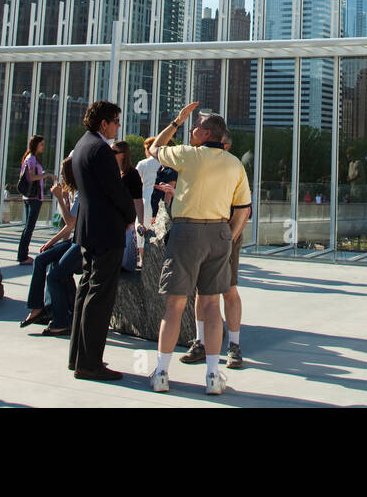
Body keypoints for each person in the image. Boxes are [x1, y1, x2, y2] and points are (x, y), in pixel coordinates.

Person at [143, 103, 251, 396]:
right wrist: (228, 236)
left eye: (195, 126)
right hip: (218, 233)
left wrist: (176, 120)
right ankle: (213, 376)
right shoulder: (235, 164)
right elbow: (243, 208)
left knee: (175, 304)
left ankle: (162, 372)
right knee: (211, 305)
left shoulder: (187, 155)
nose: (191, 130)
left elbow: (154, 147)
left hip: (186, 231)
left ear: (205, 133)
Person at [66, 101, 135, 381]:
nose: (118, 125)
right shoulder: (101, 150)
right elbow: (115, 191)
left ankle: (78, 357)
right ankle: (90, 363)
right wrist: (130, 215)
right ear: (103, 123)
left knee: (86, 290)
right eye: (116, 121)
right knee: (100, 295)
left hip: (88, 228)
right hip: (106, 230)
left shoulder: (82, 145)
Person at [178, 130, 247, 369]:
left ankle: (234, 347)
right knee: (202, 292)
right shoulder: (199, 164)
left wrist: (229, 239)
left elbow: (243, 210)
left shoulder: (233, 168)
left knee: (228, 289)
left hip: (224, 236)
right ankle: (201, 342)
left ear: (224, 147)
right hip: (202, 235)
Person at [21, 154, 83, 335]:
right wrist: (51, 242)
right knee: (41, 259)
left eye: (63, 174)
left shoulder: (81, 192)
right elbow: (71, 226)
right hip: (75, 240)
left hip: (83, 243)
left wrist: (59, 199)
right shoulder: (74, 191)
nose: (61, 177)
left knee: (54, 275)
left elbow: (71, 222)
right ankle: (37, 308)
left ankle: (61, 320)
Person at [111, 140, 147, 268]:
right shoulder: (110, 172)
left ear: (123, 155)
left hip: (125, 221)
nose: (110, 154)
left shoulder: (132, 174)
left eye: (114, 152)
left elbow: (137, 199)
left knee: (124, 260)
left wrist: (141, 222)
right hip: (110, 219)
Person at [16, 135, 49, 265]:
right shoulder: (32, 159)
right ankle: (23, 255)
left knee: (28, 227)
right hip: (34, 197)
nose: (43, 147)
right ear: (35, 145)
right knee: (29, 228)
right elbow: (31, 177)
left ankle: (22, 254)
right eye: (41, 144)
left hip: (29, 197)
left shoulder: (29, 158)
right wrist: (45, 175)